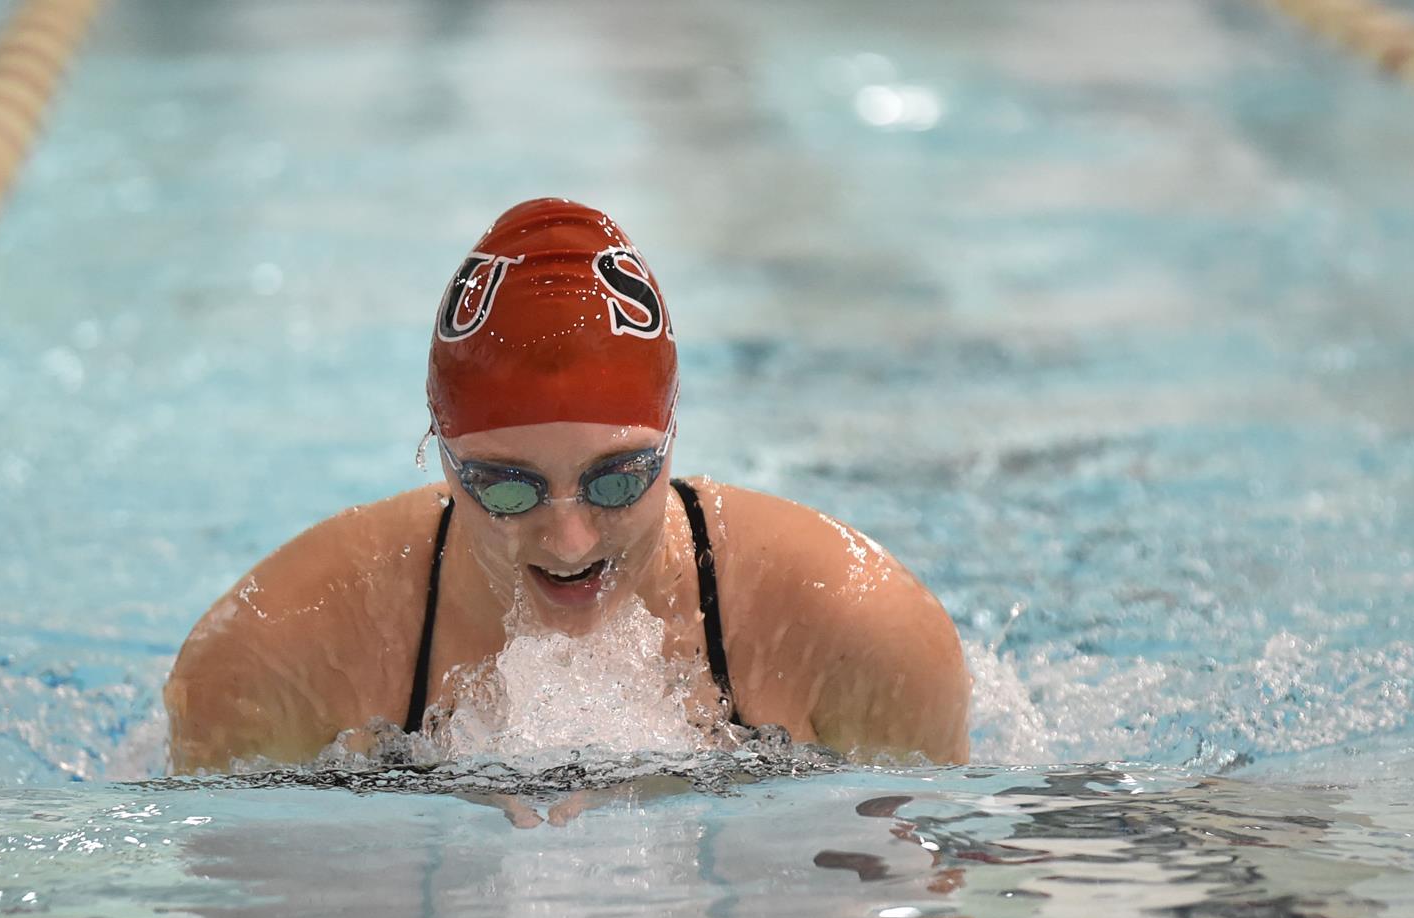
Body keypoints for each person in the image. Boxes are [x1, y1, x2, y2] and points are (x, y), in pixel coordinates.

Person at [166, 197, 968, 785]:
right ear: (441, 458)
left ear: (672, 439)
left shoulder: (858, 637)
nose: (570, 541)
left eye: (617, 480)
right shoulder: (277, 661)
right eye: (508, 490)